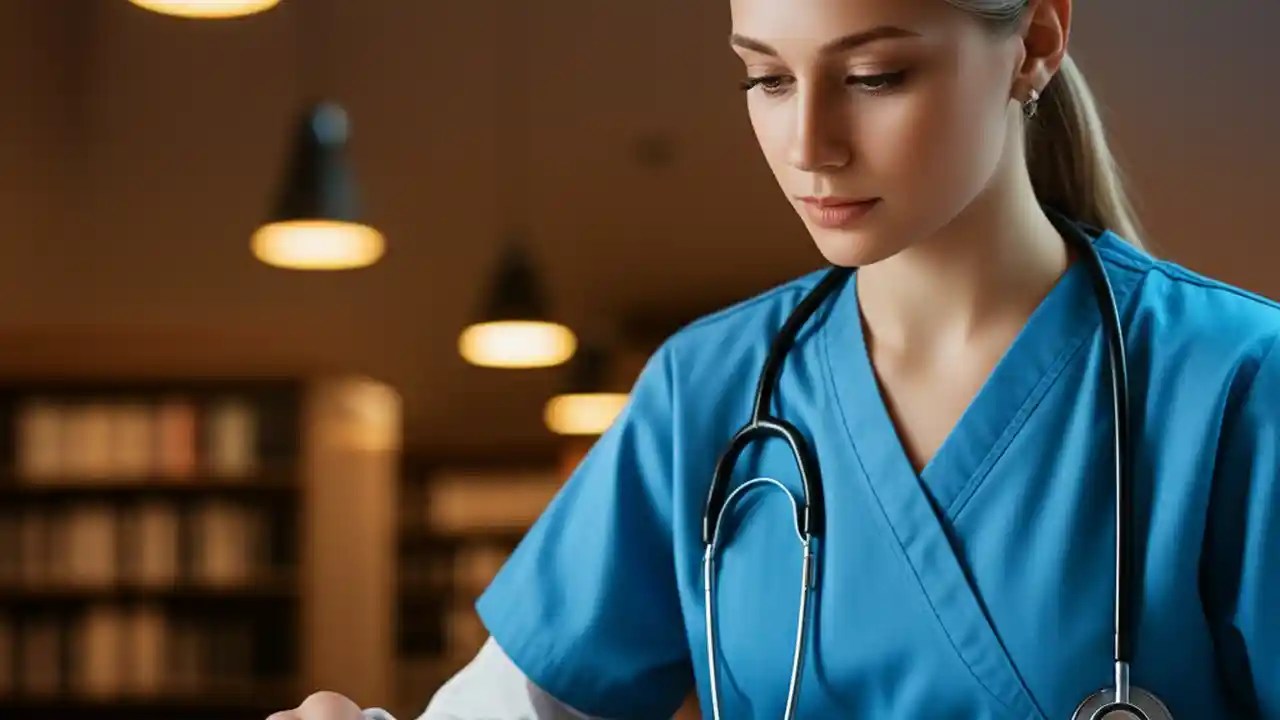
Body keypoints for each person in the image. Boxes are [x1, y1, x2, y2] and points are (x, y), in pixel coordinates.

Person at [270, 0, 1280, 717]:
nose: (807, 145)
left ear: (1035, 41)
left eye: (875, 76)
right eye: (763, 76)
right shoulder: (704, 393)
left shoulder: (1234, 382)